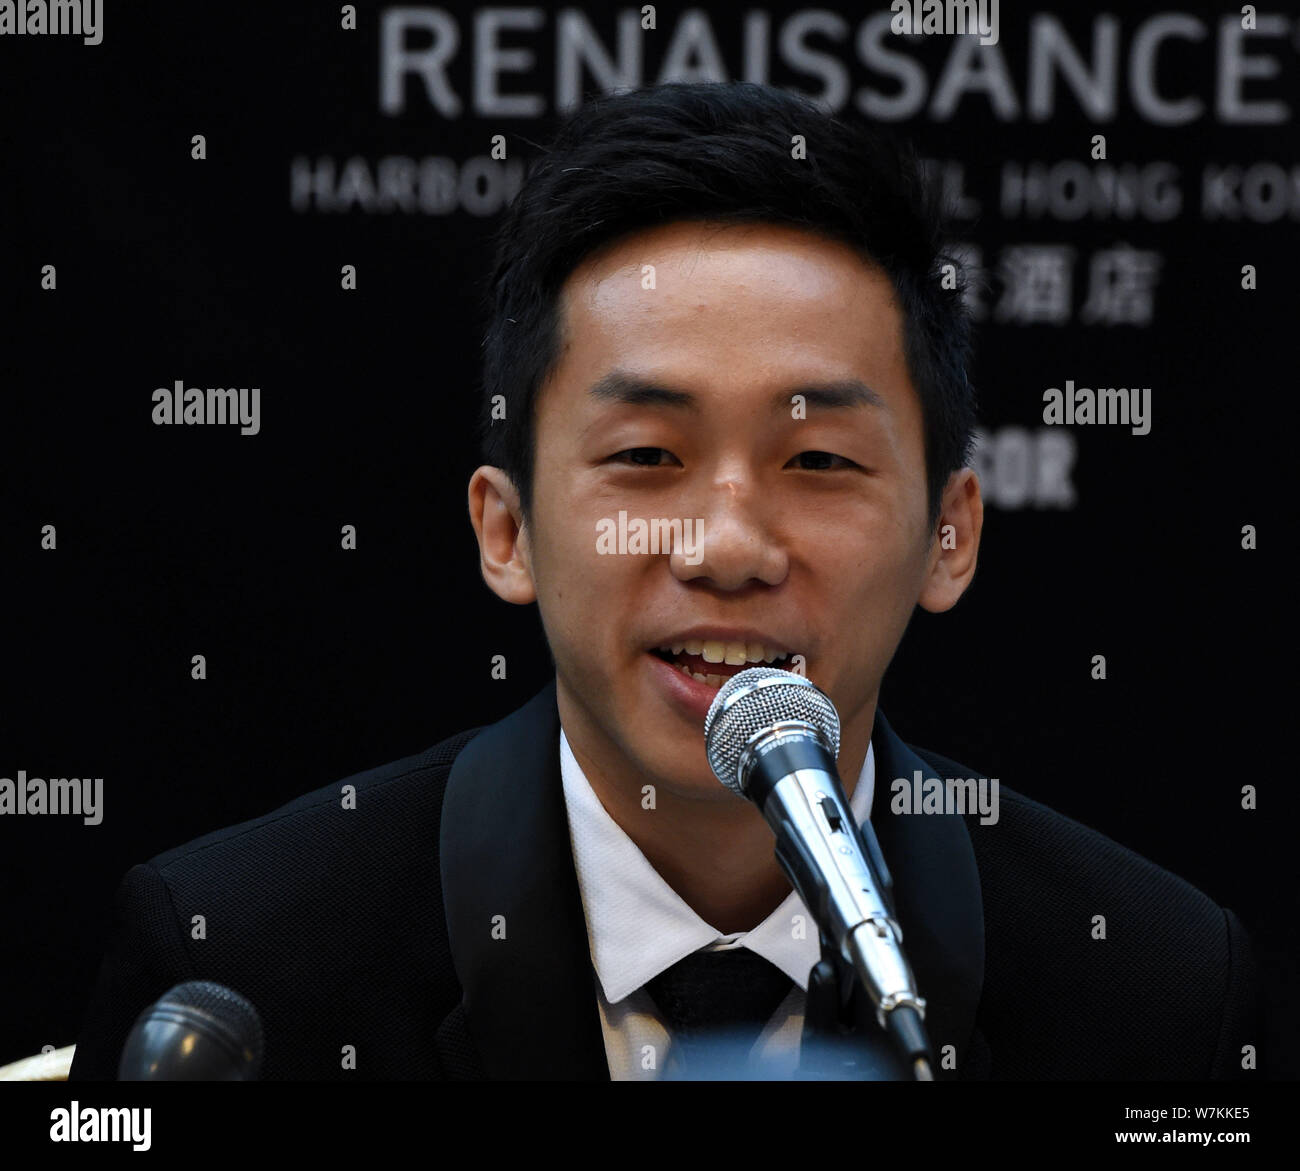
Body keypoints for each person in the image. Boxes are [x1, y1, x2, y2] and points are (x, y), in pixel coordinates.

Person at [68, 81, 1255, 1081]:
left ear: (950, 534)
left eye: (819, 460)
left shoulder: (1151, 987)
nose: (726, 545)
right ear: (507, 529)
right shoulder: (238, 962)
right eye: (646, 456)